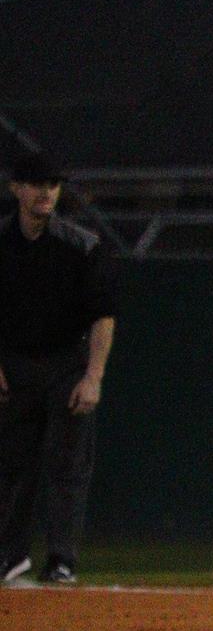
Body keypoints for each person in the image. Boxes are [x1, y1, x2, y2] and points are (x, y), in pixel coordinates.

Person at [0, 152, 116, 587]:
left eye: (53, 183)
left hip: (68, 363)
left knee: (67, 466)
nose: (46, 191)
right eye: (35, 182)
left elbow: (103, 315)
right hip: (15, 364)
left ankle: (62, 559)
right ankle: (10, 558)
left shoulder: (81, 245)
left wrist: (94, 376)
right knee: (12, 465)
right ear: (16, 188)